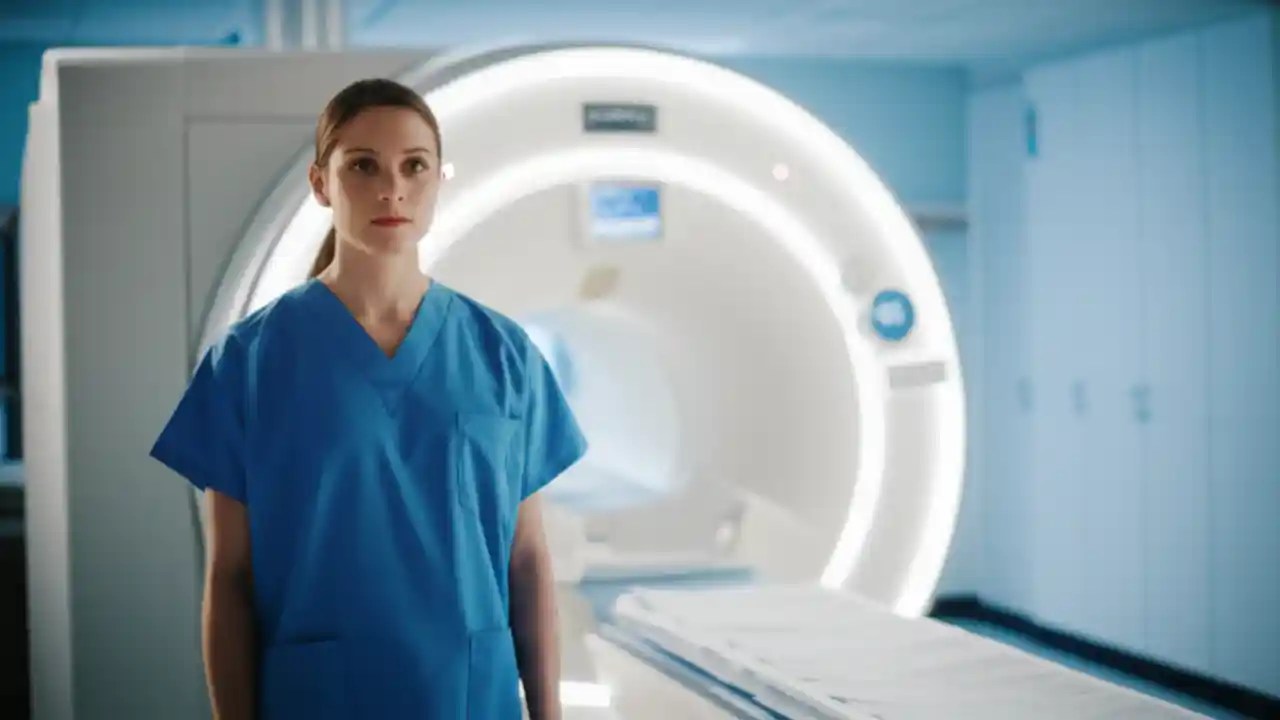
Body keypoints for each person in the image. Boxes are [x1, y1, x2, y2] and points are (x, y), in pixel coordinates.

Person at [149, 77, 587, 719]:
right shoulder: (250, 360)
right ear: (320, 183)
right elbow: (231, 578)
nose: (392, 188)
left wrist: (548, 713)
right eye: (362, 166)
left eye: (415, 166)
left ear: (438, 180)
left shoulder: (502, 353)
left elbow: (527, 562)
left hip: (470, 696)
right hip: (320, 697)